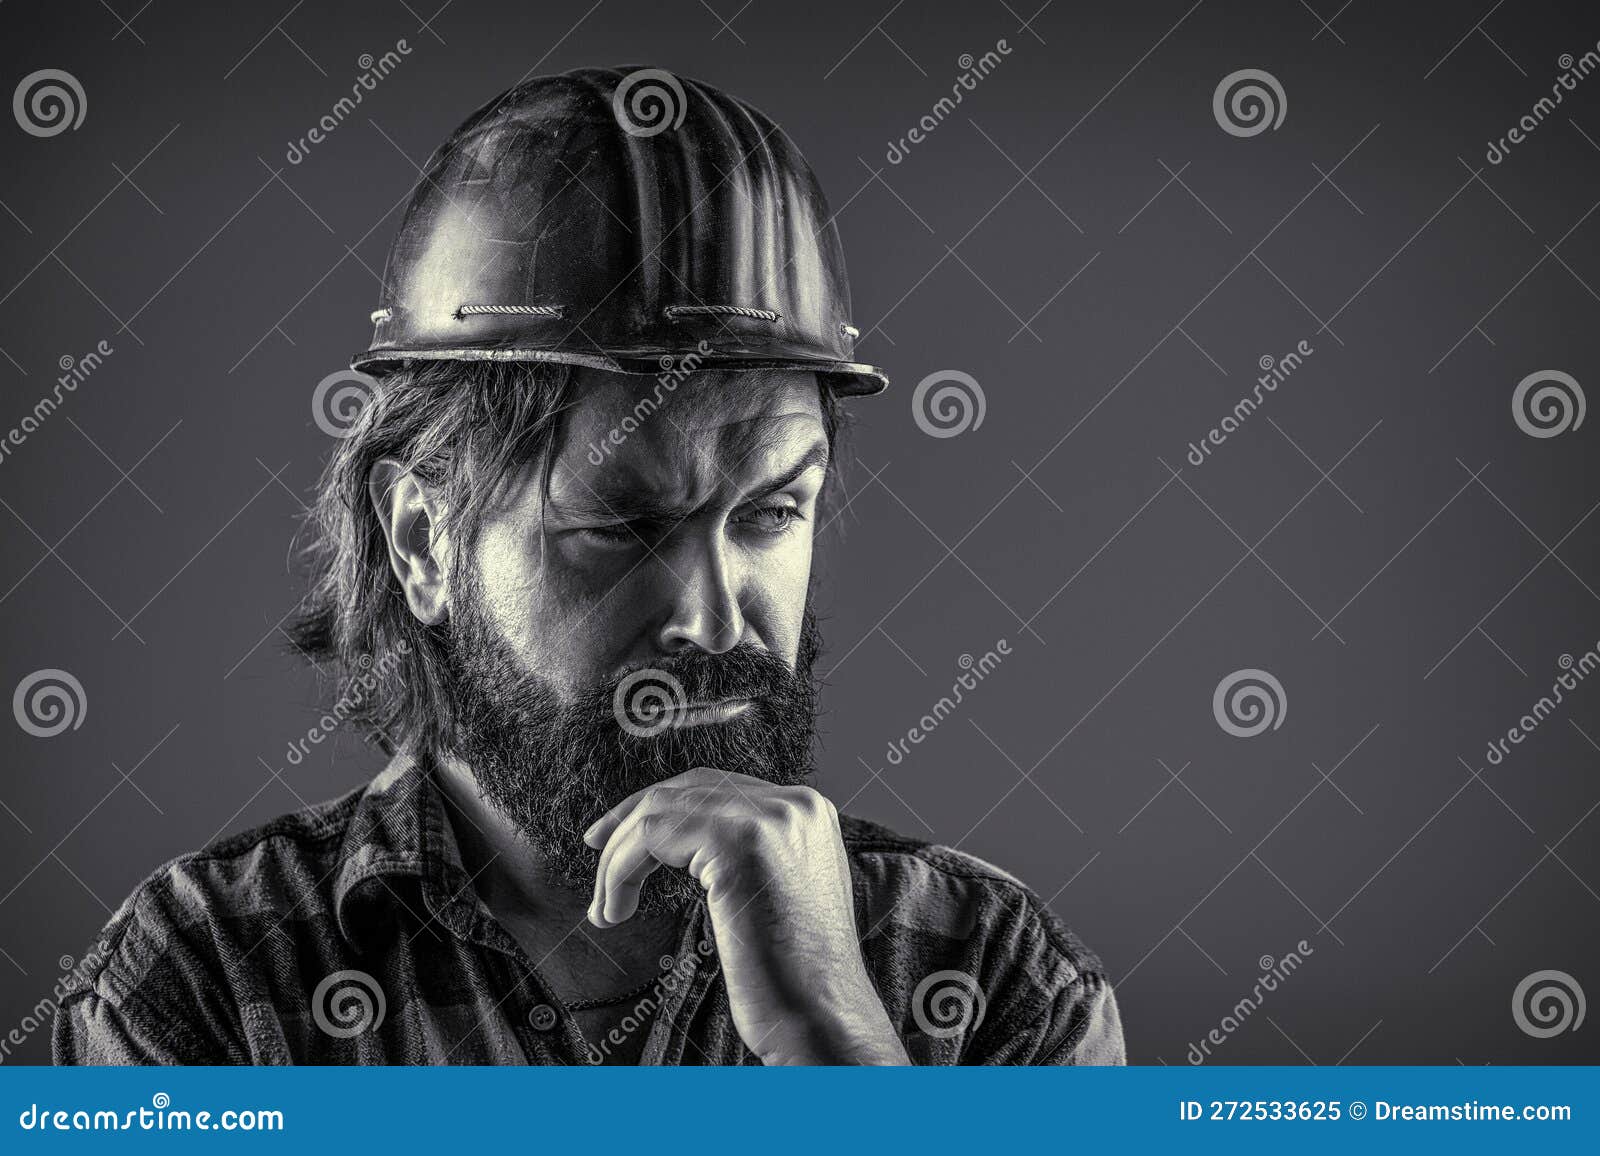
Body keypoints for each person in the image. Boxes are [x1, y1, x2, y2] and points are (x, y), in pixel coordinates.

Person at [54, 65, 1123, 1065]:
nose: (710, 620)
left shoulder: (992, 979)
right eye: (622, 527)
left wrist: (838, 1045)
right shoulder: (199, 984)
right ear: (424, 542)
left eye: (769, 514)